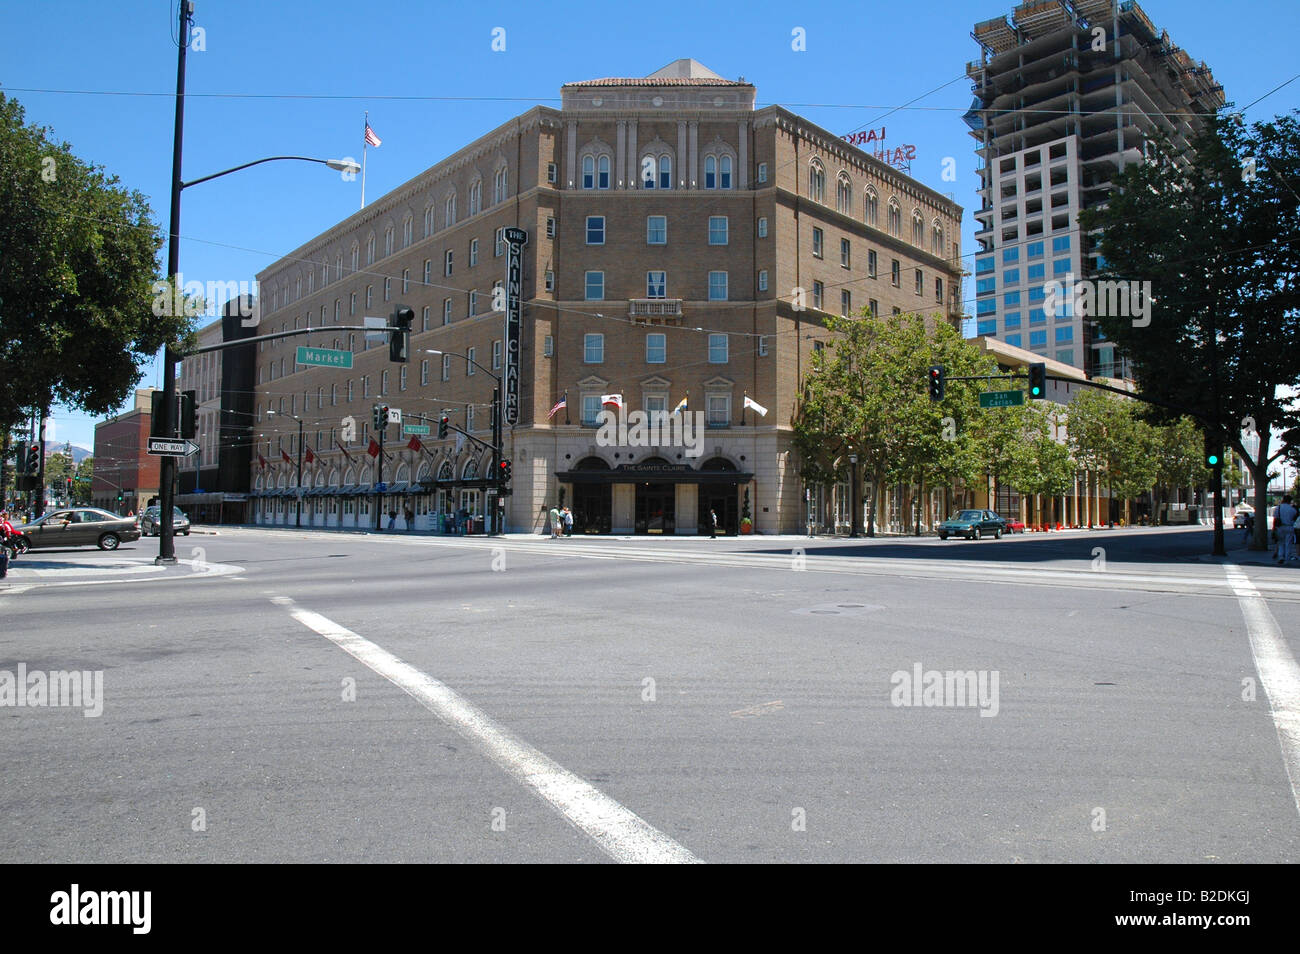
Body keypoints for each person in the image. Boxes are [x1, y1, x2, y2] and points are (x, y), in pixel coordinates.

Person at [1275, 495, 1298, 564]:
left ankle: (1281, 556)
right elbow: (1295, 517)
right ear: (1290, 501)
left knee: (1281, 542)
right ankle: (1287, 558)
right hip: (1289, 526)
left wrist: (1274, 528)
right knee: (1288, 543)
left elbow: (1275, 518)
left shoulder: (1278, 508)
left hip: (1280, 527)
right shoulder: (1292, 509)